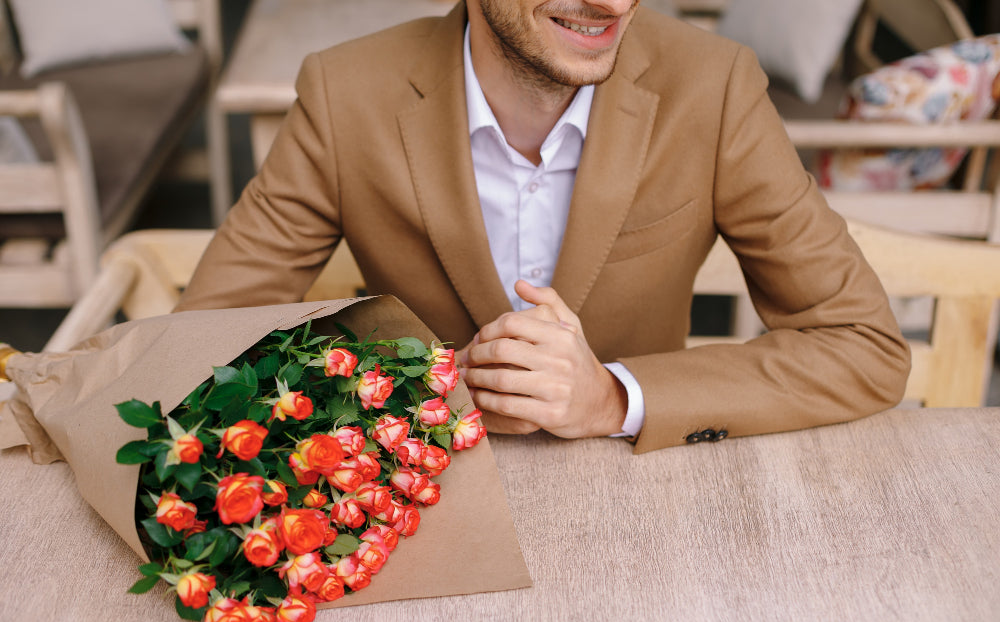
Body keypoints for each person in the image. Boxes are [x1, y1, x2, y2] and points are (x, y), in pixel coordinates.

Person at [175, 0, 911, 453]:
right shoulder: (344, 93)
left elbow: (864, 345)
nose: (614, 3)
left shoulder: (714, 88)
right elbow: (195, 353)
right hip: (418, 518)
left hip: (641, 507)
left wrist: (613, 397)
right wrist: (421, 391)